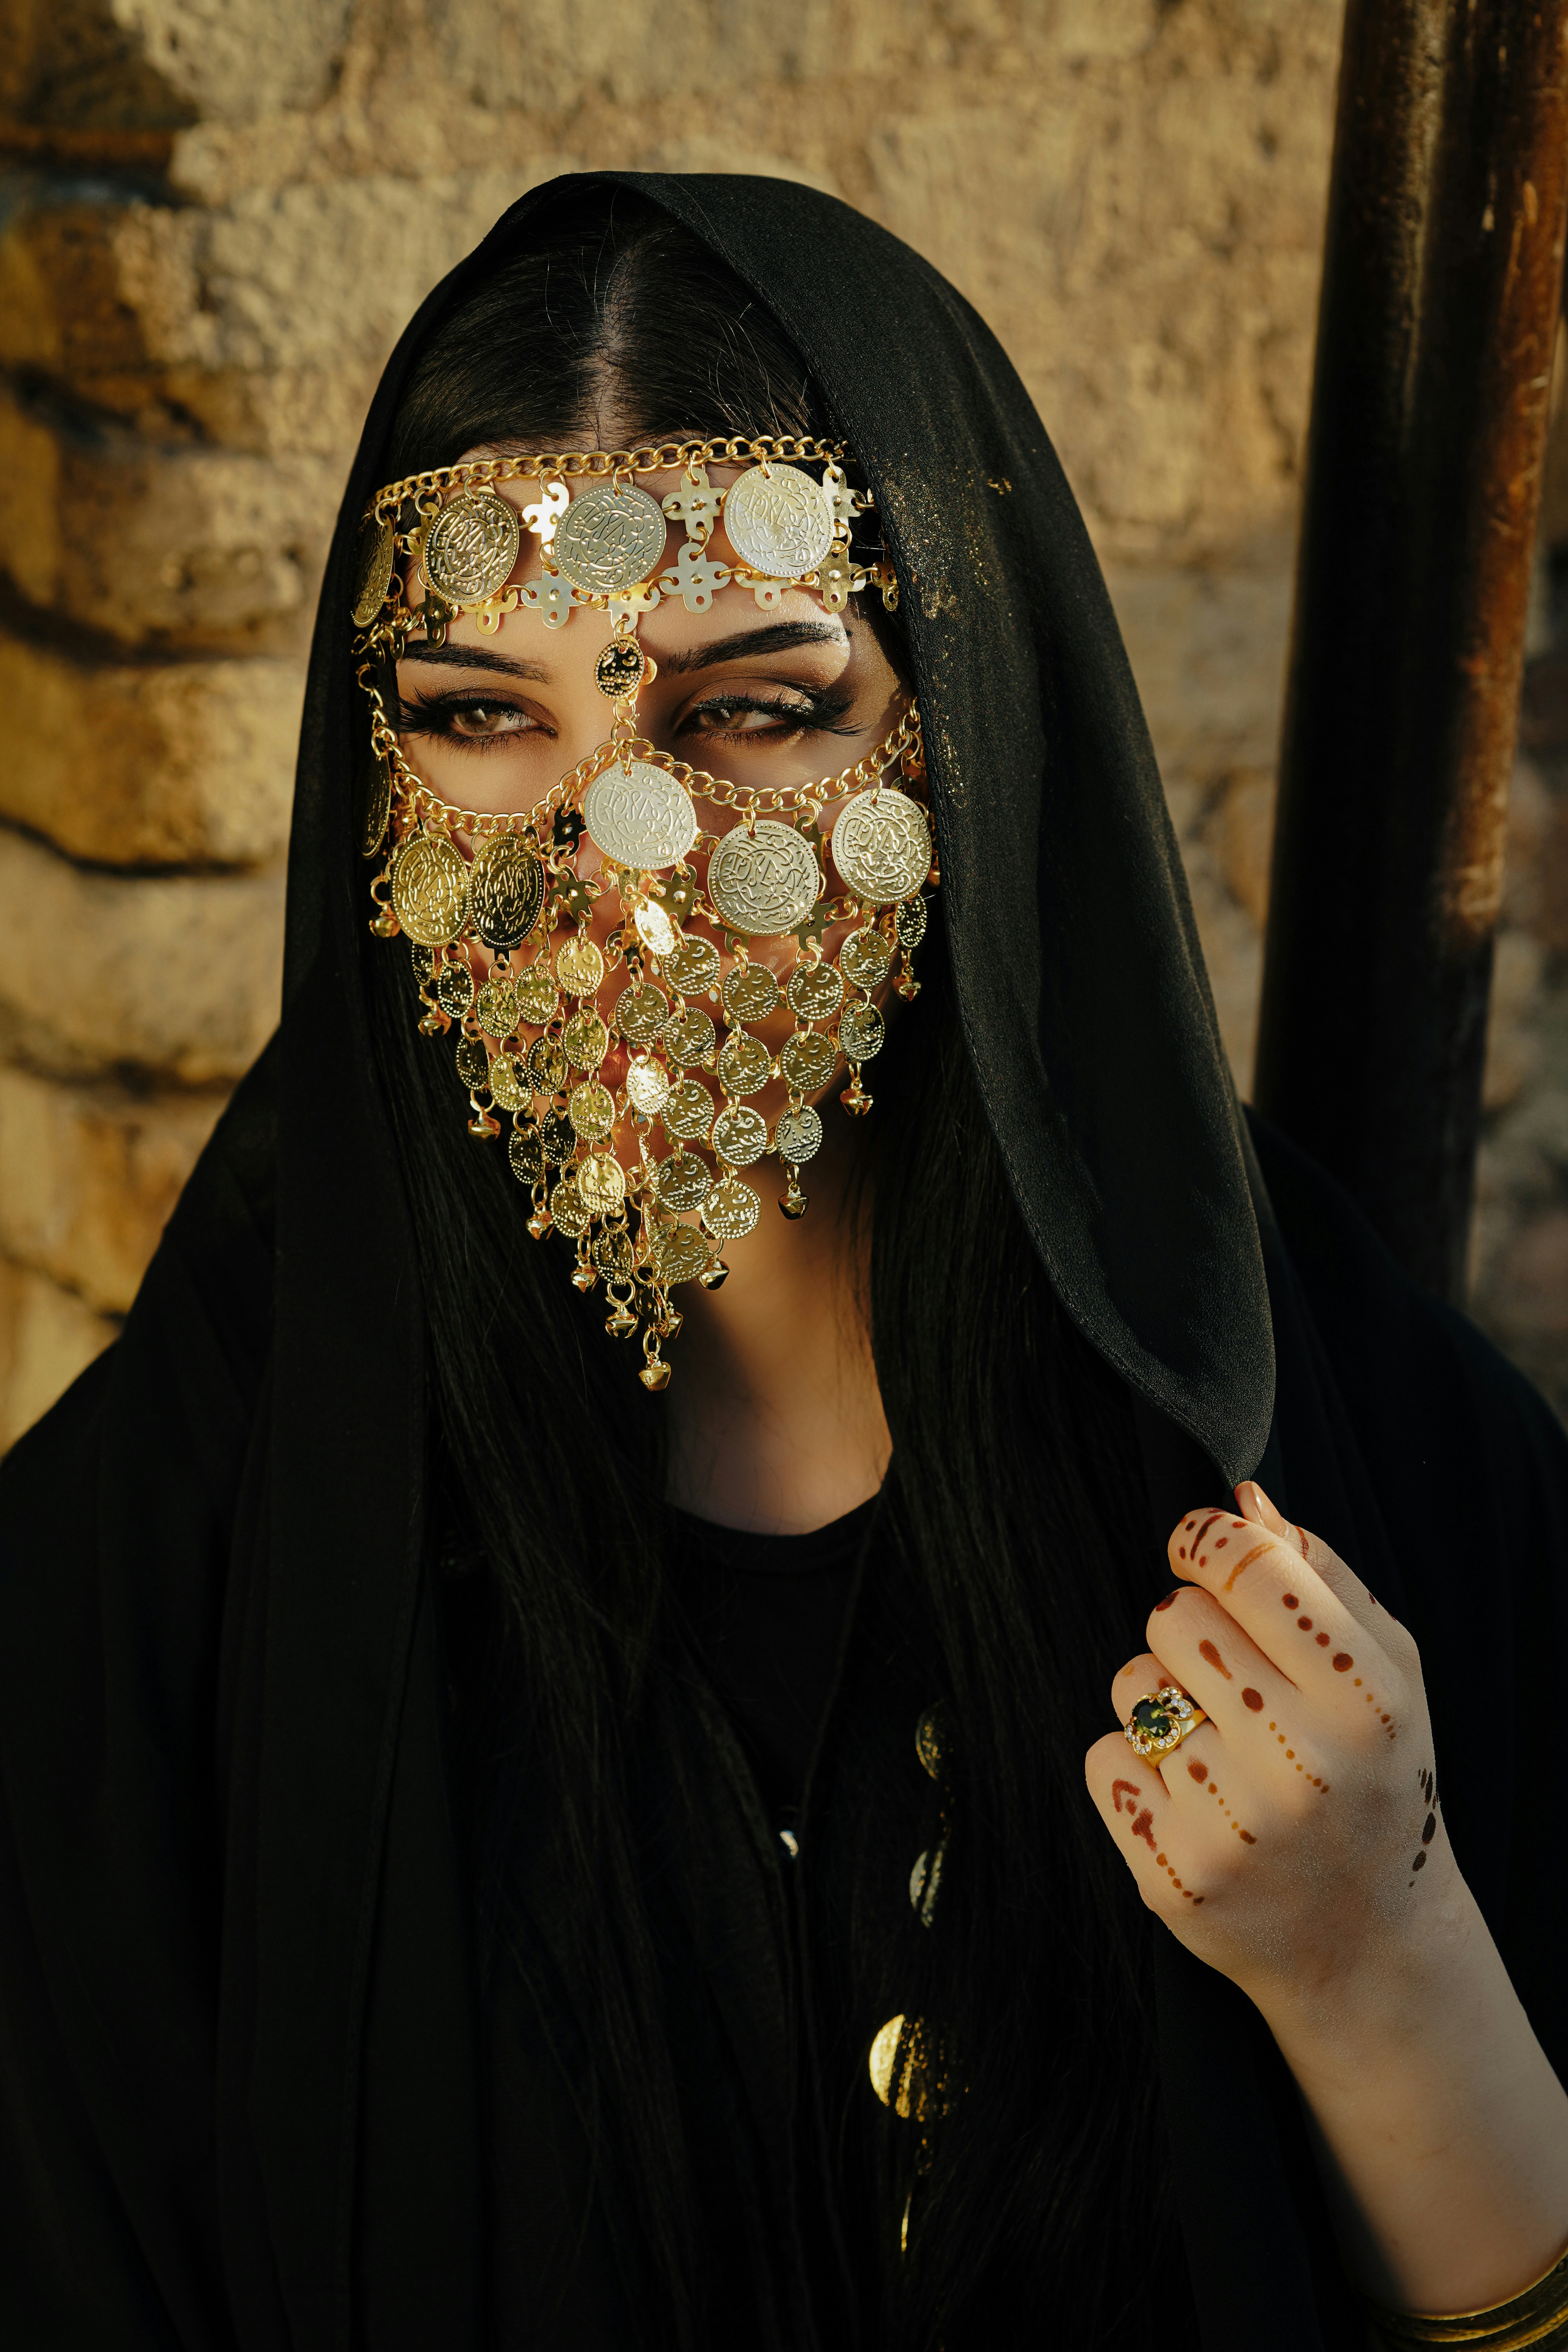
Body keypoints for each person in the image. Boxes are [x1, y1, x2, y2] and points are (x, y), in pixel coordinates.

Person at [2, 173, 1566, 2352]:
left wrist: (1373, 1959)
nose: (614, 872)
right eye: (480, 717)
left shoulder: (1324, 1440)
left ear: (961, 736)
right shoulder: (175, 1541)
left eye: (750, 712)